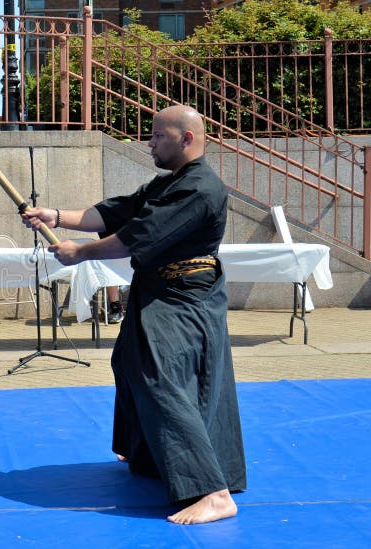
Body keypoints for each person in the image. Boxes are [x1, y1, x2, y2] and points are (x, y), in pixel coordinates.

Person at [21, 105, 246, 525]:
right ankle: (148, 453)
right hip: (158, 290)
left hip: (185, 298)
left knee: (156, 376)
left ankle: (213, 492)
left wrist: (80, 253)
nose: (150, 142)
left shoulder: (199, 188)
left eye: (158, 135)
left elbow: (135, 236)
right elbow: (115, 213)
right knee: (127, 360)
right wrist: (55, 216)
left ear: (187, 139)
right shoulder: (168, 183)